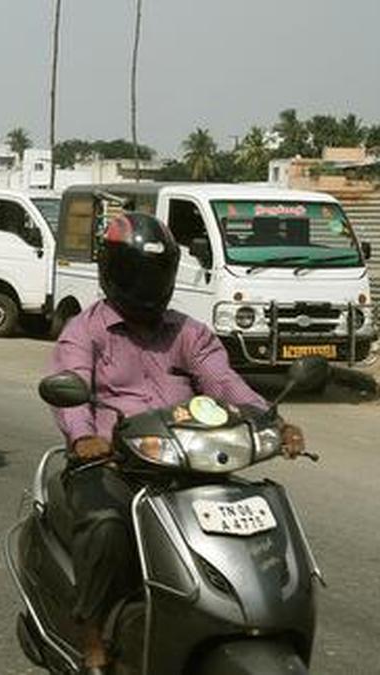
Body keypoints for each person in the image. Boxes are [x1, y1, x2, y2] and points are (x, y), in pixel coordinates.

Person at [48, 212, 306, 674]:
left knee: (257, 514)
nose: (147, 285)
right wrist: (84, 437)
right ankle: (91, 636)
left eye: (156, 273)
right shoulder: (84, 330)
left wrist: (272, 420)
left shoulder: (189, 332)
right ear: (111, 270)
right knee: (105, 526)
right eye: (136, 273)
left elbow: (225, 383)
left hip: (189, 463)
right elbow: (68, 390)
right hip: (113, 467)